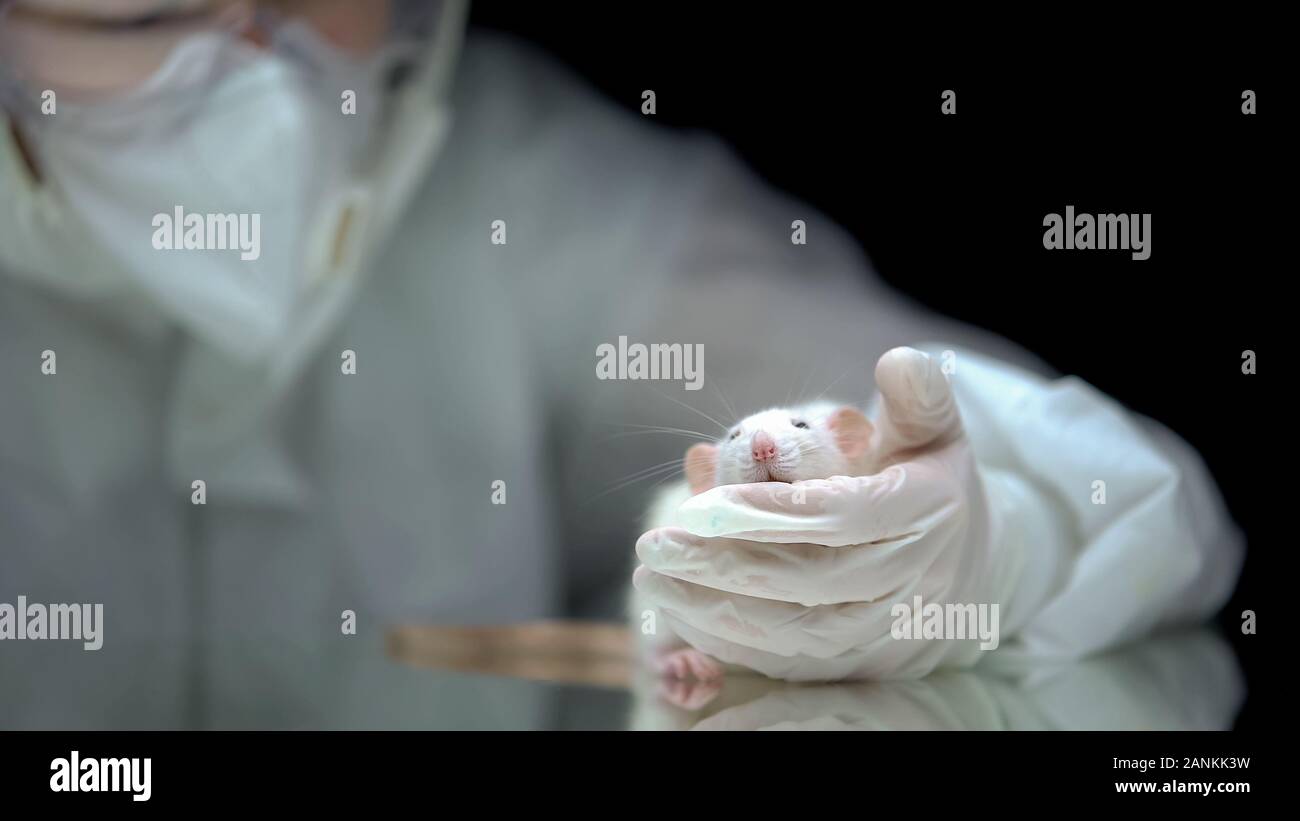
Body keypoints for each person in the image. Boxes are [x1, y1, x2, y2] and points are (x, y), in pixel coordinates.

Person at [0, 0, 1242, 725]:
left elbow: (1120, 493)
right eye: (141, 13)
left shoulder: (536, 193)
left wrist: (985, 536)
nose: (273, 71)